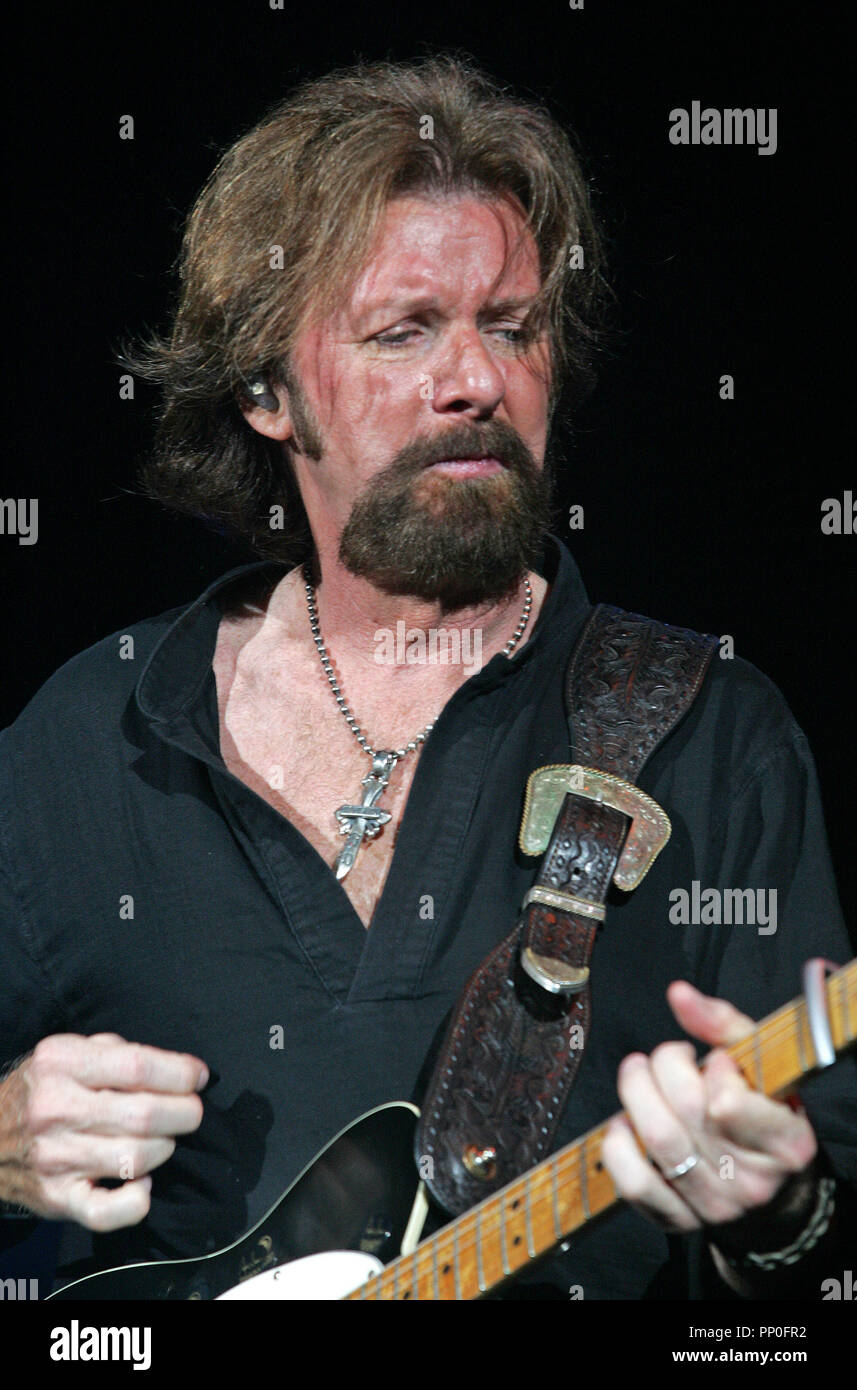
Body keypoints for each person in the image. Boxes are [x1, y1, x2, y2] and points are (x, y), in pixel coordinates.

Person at [0, 56, 853, 1301]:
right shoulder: (89, 741)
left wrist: (771, 1209)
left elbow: (819, 1262)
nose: (475, 380)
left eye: (510, 327)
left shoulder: (715, 741)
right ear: (264, 392)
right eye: (404, 331)